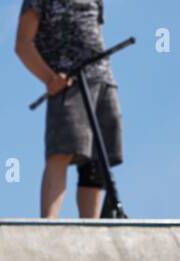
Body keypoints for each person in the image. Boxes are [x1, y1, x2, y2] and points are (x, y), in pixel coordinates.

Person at [15, 0, 125, 218]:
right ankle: (49, 224)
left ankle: (92, 230)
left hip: (103, 79)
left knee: (97, 162)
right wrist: (49, 78)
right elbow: (22, 44)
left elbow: (96, 35)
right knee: (61, 152)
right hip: (68, 82)